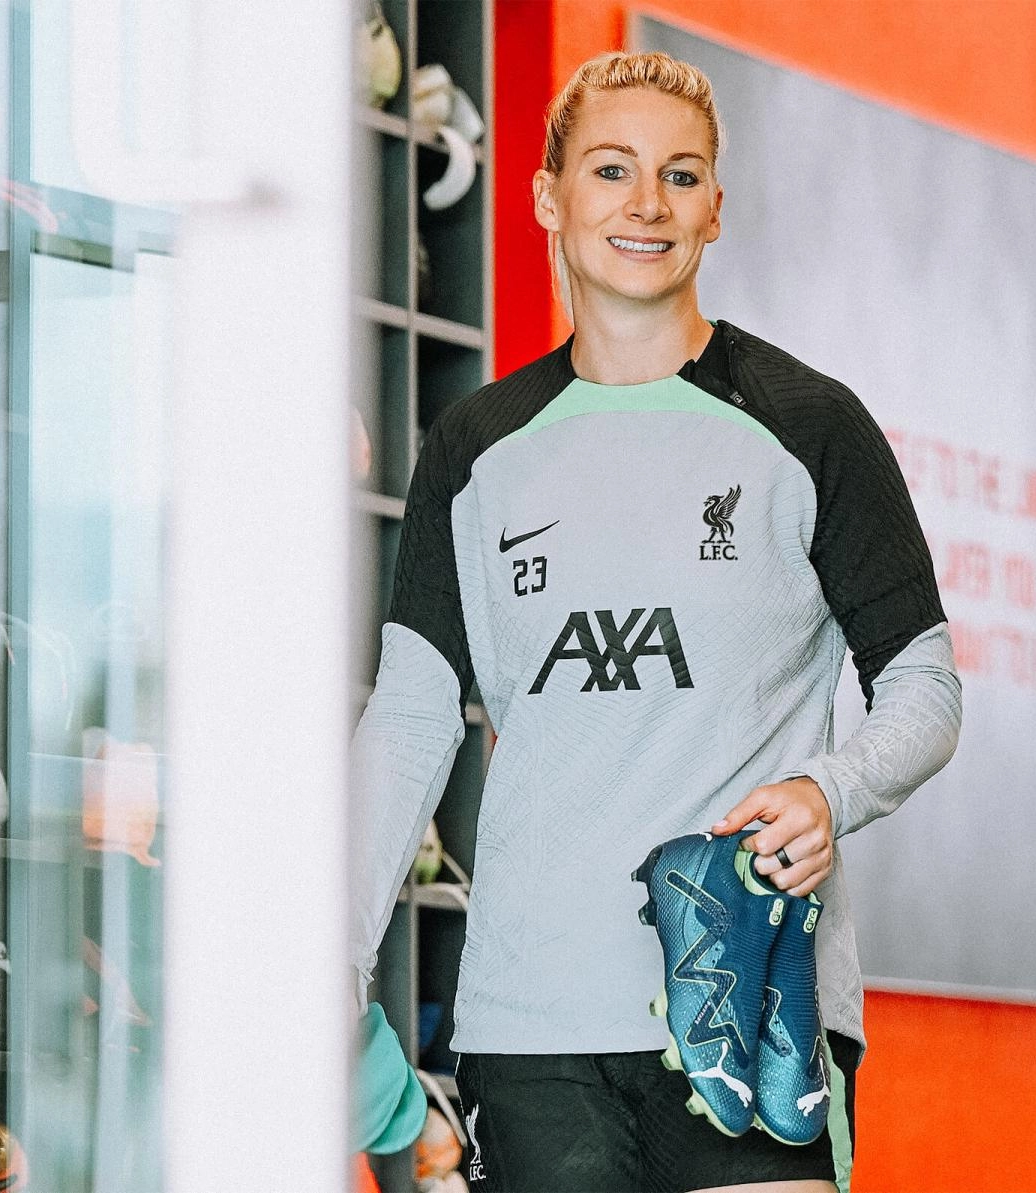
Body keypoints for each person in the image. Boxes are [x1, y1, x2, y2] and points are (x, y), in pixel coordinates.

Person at [351, 50, 962, 1193]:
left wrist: (833, 789)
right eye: (612, 169)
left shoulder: (811, 426)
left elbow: (926, 685)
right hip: (533, 1019)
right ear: (547, 196)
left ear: (715, 209)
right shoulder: (474, 448)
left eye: (680, 177)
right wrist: (330, 953)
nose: (645, 204)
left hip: (756, 1008)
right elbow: (414, 717)